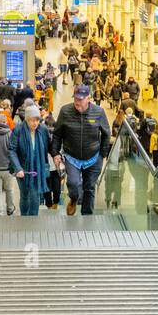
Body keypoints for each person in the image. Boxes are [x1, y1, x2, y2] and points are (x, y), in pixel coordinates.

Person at [52, 84, 112, 216]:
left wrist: (102, 154)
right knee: (73, 184)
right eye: (75, 98)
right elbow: (57, 134)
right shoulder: (65, 111)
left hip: (93, 158)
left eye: (80, 99)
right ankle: (73, 199)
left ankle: (87, 216)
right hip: (72, 157)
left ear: (88, 99)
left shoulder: (99, 112)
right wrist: (55, 153)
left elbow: (107, 134)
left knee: (89, 188)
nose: (77, 102)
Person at [8, 104, 54, 217]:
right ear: (26, 119)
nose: (35, 123)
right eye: (32, 120)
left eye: (37, 120)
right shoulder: (18, 130)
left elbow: (50, 146)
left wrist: (57, 155)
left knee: (35, 194)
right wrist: (18, 168)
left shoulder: (43, 129)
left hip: (37, 168)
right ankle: (24, 217)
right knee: (24, 195)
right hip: (23, 169)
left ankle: (33, 219)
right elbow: (12, 150)